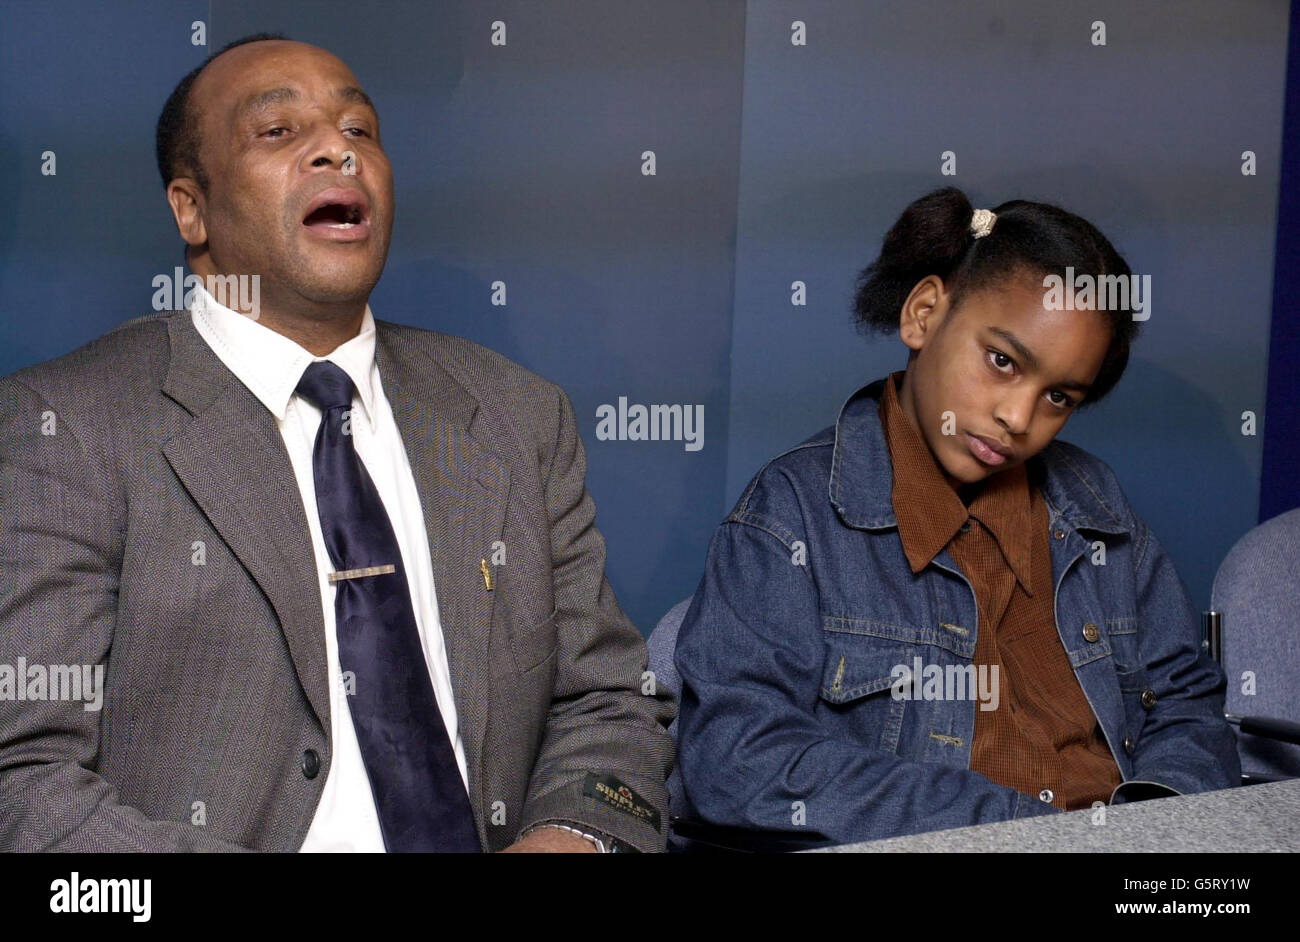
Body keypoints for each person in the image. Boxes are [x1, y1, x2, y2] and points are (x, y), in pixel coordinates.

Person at [0, 34, 673, 852]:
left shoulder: (517, 416)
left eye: (360, 130)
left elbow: (608, 703)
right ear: (191, 208)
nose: (337, 151)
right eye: (278, 133)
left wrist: (568, 836)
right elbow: (23, 787)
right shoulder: (64, 427)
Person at [673, 186, 1239, 846]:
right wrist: (1023, 831)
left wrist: (1151, 822)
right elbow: (736, 760)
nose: (1019, 418)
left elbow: (1185, 699)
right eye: (1002, 361)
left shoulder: (1097, 505)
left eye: (1057, 396)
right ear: (923, 314)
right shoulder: (792, 515)